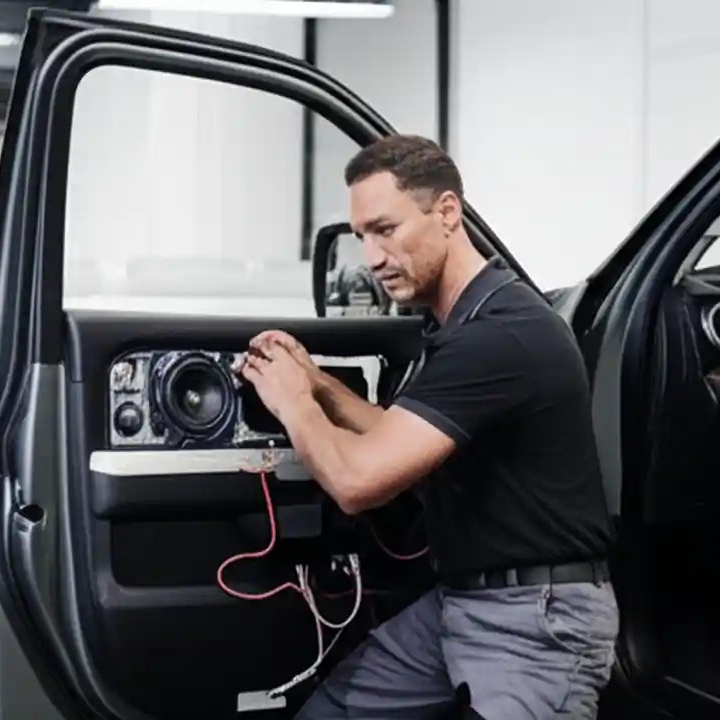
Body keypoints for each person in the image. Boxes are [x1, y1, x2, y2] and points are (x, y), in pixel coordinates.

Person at [238, 134, 618, 718]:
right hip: (462, 604)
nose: (371, 258)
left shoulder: (500, 334)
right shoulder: (468, 323)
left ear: (446, 212)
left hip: (534, 624)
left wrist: (293, 404)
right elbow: (396, 436)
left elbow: (357, 480)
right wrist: (316, 383)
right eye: (362, 236)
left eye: (385, 230)